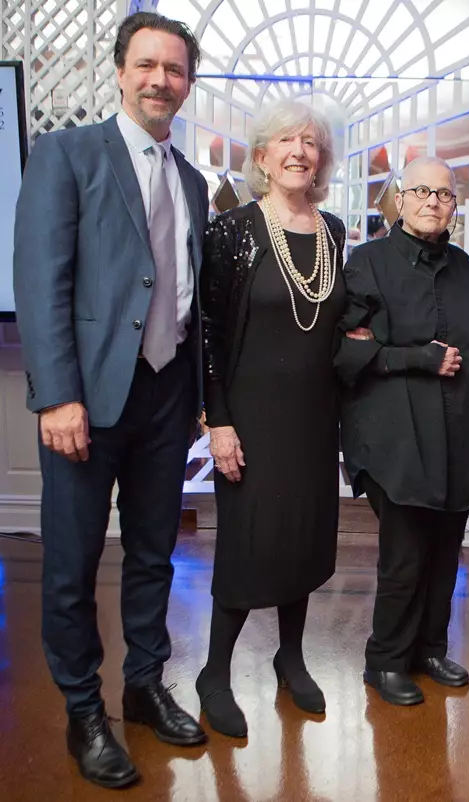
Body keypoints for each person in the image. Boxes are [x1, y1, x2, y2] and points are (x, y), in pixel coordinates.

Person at [12, 11, 208, 789]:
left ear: (187, 84)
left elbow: (183, 289)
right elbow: (40, 280)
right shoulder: (65, 155)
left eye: (176, 69)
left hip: (167, 396)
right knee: (71, 564)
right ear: (121, 72)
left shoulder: (192, 179)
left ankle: (143, 685)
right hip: (86, 402)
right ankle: (83, 711)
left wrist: (197, 397)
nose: (162, 79)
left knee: (157, 555)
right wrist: (56, 395)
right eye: (148, 65)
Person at [196, 100, 347, 738]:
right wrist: (217, 420)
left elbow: (344, 322)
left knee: (303, 537)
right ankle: (214, 672)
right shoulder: (232, 231)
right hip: (250, 418)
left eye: (310, 142)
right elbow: (205, 330)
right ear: (261, 157)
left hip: (315, 420)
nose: (299, 151)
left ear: (321, 159)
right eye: (286, 140)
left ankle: (291, 656)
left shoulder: (336, 230)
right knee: (247, 543)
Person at [335, 157, 469, 706]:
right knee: (405, 555)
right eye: (422, 191)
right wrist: (417, 358)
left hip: (459, 434)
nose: (434, 202)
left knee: (445, 552)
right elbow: (346, 352)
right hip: (394, 436)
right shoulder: (367, 262)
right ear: (399, 200)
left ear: (455, 205)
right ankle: (384, 662)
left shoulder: (464, 266)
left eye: (445, 195)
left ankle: (429, 649)